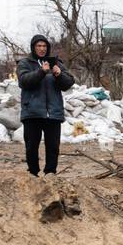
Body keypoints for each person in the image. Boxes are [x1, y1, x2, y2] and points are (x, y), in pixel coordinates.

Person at [16, 34, 75, 175]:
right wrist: (41, 72)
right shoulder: (25, 63)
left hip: (53, 113)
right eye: (38, 46)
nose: (42, 49)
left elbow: (69, 82)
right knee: (31, 146)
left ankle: (50, 173)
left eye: (44, 46)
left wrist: (59, 74)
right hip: (32, 112)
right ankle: (33, 173)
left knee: (53, 146)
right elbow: (24, 81)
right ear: (33, 47)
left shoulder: (55, 63)